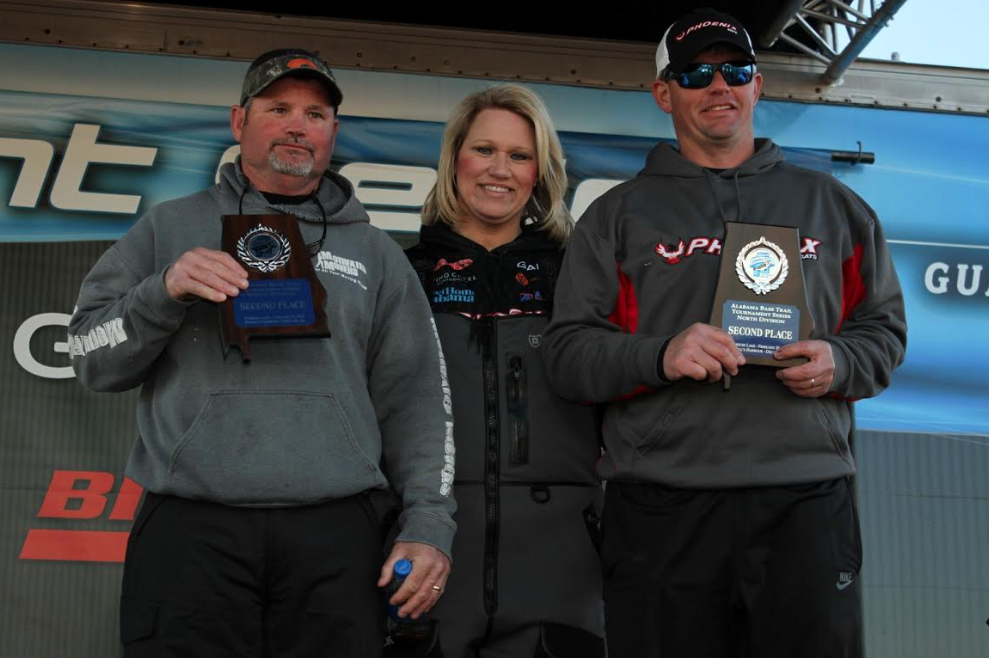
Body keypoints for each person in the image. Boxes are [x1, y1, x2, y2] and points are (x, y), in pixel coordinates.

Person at [542, 9, 907, 658]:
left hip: (804, 499)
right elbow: (568, 357)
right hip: (661, 506)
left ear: (757, 85)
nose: (718, 86)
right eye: (695, 73)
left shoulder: (834, 205)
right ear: (663, 93)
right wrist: (660, 354)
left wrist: (839, 360)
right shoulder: (613, 216)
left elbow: (882, 333)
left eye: (734, 70)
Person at [68, 48, 455, 658]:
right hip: (193, 527)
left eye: (317, 113)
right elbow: (89, 355)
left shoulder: (377, 252)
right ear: (238, 121)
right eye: (278, 108)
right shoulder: (168, 228)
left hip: (336, 530)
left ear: (333, 131)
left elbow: (419, 404)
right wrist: (162, 291)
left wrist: (429, 525)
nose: (298, 125)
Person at [405, 84, 605, 657]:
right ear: (455, 160)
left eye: (519, 156)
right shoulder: (402, 275)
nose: (500, 170)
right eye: (484, 150)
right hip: (430, 550)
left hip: (560, 566)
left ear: (541, 172)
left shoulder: (579, 280)